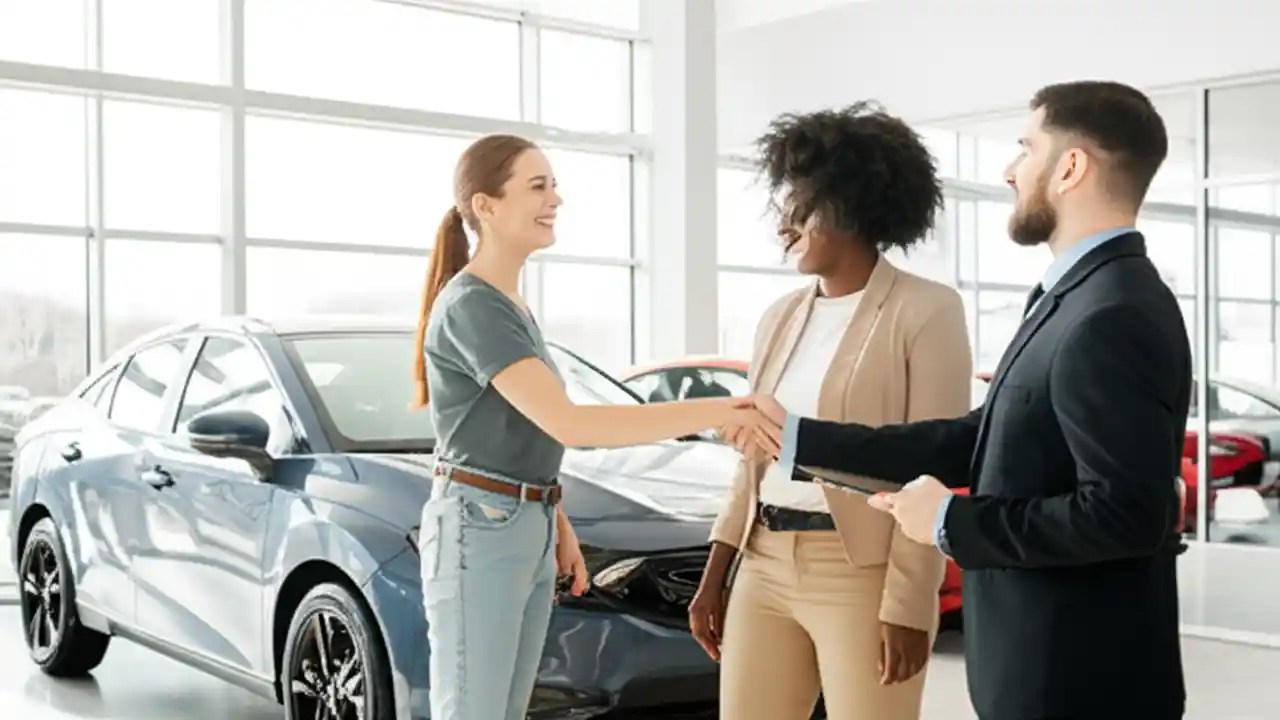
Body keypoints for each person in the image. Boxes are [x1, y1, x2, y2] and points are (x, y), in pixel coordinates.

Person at [744, 81, 1189, 720]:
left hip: (1078, 681)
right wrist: (799, 439)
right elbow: (981, 439)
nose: (1009, 171)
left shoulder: (1112, 311)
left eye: (1024, 149)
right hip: (1042, 669)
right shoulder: (1077, 297)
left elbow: (1125, 514)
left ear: (1070, 168)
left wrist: (951, 525)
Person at [409, 134, 765, 720]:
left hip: (519, 521)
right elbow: (570, 422)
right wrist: (718, 410)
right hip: (480, 527)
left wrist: (554, 515)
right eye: (538, 186)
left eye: (554, 185)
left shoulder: (510, 304)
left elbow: (526, 433)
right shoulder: (474, 305)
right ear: (486, 206)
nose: (556, 199)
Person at [688, 103, 972, 720]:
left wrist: (908, 603)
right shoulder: (780, 317)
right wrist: (718, 570)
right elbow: (753, 458)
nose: (783, 226)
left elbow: (932, 463)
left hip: (859, 574)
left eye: (799, 207)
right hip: (761, 563)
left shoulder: (927, 311)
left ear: (850, 204)